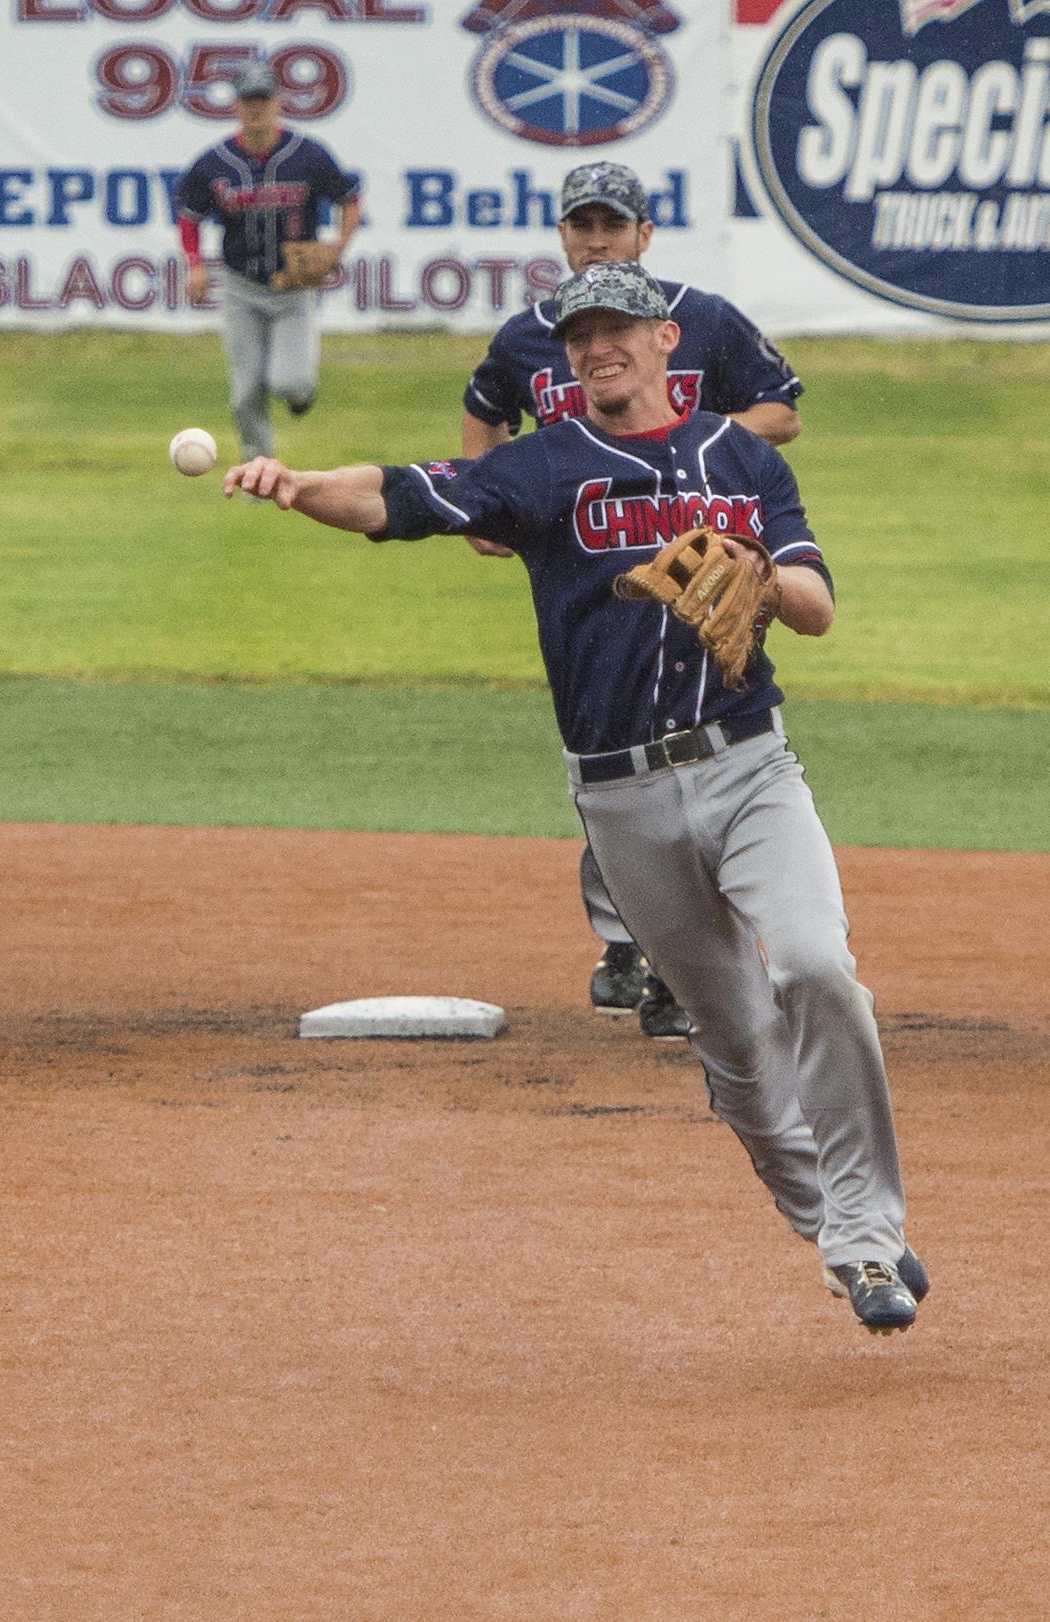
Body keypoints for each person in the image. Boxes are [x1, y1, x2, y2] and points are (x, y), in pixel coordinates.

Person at [223, 261, 926, 1334]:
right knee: (735, 1042)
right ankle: (829, 1221)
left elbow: (816, 605)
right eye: (578, 334)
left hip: (749, 767)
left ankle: (866, 1236)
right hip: (621, 799)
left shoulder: (741, 458)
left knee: (816, 965)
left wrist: (756, 575)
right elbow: (401, 494)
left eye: (614, 329)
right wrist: (298, 484)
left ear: (662, 341)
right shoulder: (545, 464)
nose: (595, 346)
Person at [461, 161, 806, 1042]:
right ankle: (629, 942)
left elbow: (780, 411)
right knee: (615, 741)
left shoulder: (701, 319)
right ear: (561, 234)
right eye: (581, 225)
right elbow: (483, 404)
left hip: (697, 555)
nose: (596, 239)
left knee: (694, 737)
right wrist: (491, 498)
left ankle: (674, 963)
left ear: (644, 235)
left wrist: (687, 453)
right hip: (588, 557)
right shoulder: (528, 335)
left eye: (612, 225)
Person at [175, 59, 361, 465]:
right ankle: (257, 471)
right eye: (248, 100)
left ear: (278, 102)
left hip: (291, 290)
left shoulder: (306, 155)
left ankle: (302, 396)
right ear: (236, 106)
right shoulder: (215, 163)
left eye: (263, 98)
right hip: (240, 286)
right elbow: (189, 215)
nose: (256, 107)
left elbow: (350, 198)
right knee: (245, 393)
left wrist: (338, 246)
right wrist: (194, 264)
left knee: (290, 383)